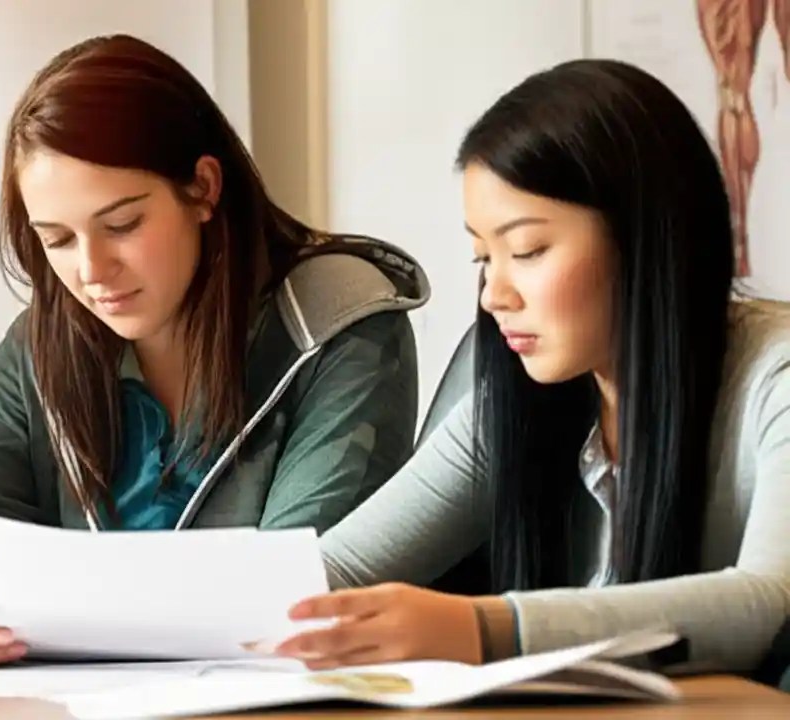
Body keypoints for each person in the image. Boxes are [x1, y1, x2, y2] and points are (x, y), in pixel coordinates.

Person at [0, 34, 429, 668]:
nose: (91, 270)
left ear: (204, 189)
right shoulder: (42, 343)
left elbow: (306, 592)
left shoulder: (339, 322)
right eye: (57, 239)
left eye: (122, 225)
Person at [274, 59, 790, 675]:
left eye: (527, 250)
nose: (494, 294)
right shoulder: (516, 402)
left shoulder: (774, 376)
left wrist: (486, 628)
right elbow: (334, 572)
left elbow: (769, 600)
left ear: (647, 235)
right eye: (482, 258)